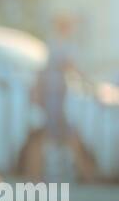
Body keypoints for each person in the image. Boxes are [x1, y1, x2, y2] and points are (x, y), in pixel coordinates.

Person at [22, 13, 97, 181]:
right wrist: (90, 83)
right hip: (53, 96)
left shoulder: (52, 43)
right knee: (59, 133)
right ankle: (87, 174)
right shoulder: (63, 45)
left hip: (51, 94)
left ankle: (34, 173)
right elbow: (70, 66)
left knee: (45, 133)